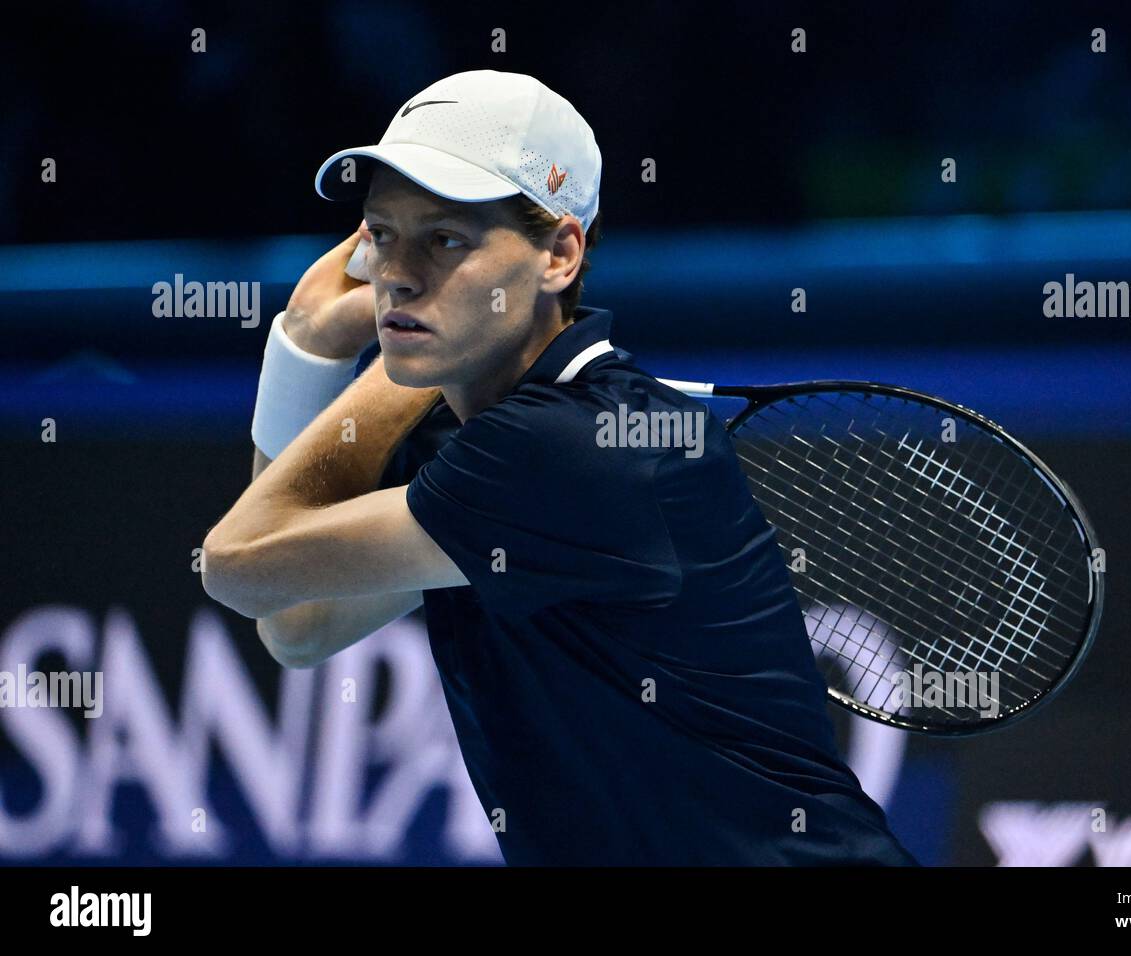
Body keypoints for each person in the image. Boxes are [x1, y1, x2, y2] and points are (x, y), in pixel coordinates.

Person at [203, 69, 916, 866]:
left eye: (444, 239)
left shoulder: (572, 452)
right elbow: (297, 623)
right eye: (381, 234)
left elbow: (238, 563)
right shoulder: (482, 448)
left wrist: (350, 348)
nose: (397, 272)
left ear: (560, 254)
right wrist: (308, 348)